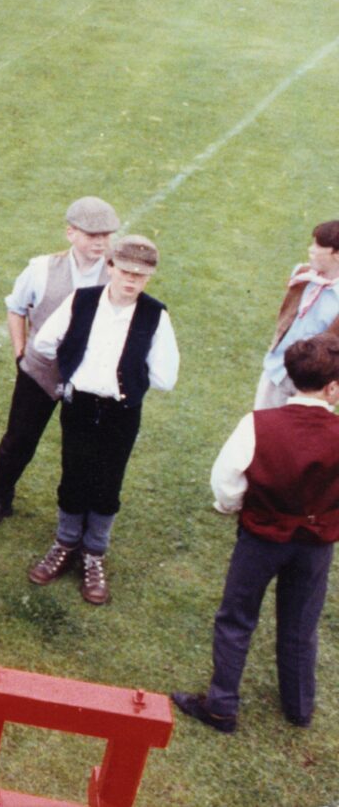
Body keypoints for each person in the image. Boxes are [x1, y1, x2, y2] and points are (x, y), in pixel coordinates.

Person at [172, 334, 339, 735]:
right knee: (301, 622)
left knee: (237, 617)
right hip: (315, 544)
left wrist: (236, 506)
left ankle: (222, 704)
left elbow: (226, 480)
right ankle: (299, 706)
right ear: (333, 387)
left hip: (262, 536)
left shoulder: (258, 423)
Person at [25, 235, 179, 605]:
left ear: (149, 278)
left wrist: (128, 377)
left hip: (121, 412)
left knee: (109, 479)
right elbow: (44, 343)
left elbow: (165, 376)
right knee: (73, 471)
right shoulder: (82, 300)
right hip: (79, 404)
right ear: (109, 267)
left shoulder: (155, 315)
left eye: (140, 276)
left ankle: (94, 552)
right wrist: (75, 366)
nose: (131, 281)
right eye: (125, 271)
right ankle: (65, 542)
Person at [0, 197, 119, 528]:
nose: (100, 242)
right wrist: (20, 351)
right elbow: (16, 308)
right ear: (71, 233)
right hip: (38, 370)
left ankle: (74, 516)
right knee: (18, 440)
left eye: (106, 236)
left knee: (81, 450)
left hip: (88, 378)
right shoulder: (41, 268)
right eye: (92, 235)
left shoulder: (115, 275)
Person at [254, 220, 339, 410]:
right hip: (277, 371)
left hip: (315, 386)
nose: (311, 249)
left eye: (318, 245)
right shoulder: (302, 275)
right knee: (262, 430)